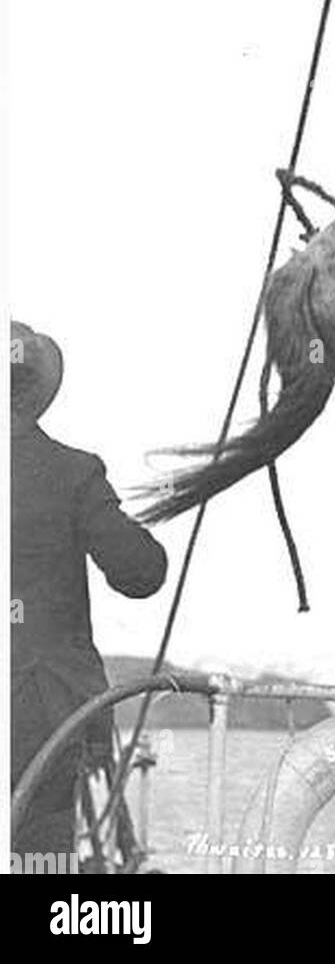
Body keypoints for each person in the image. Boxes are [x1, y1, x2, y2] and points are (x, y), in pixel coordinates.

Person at [11, 321, 168, 860]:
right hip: (43, 714)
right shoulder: (72, 472)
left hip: (38, 711)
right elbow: (141, 574)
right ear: (36, 395)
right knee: (39, 858)